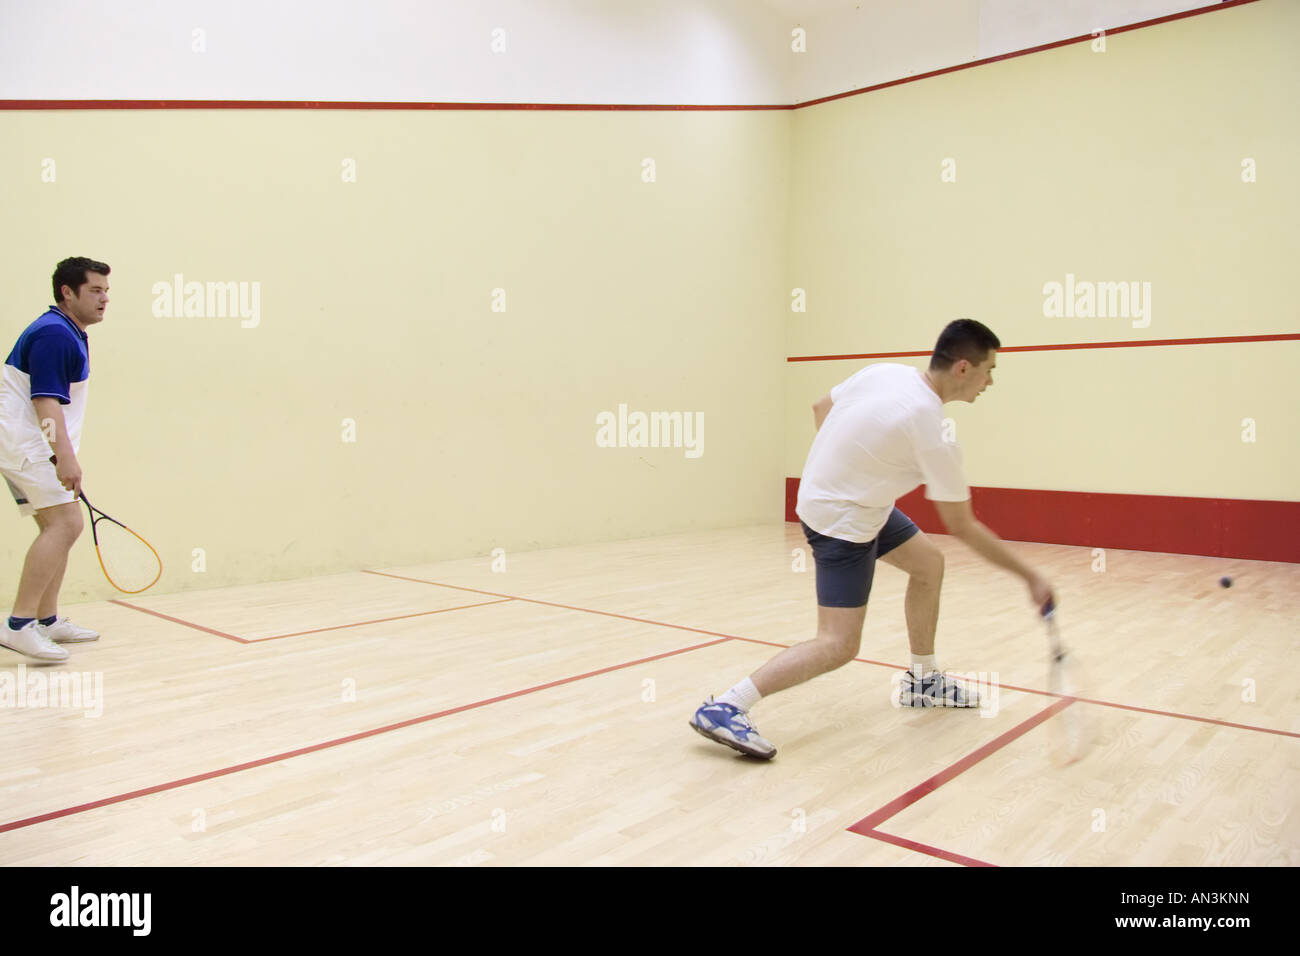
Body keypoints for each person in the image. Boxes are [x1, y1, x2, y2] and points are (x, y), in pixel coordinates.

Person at [690, 318, 1054, 758]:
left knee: (928, 564)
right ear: (962, 368)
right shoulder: (934, 432)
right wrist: (1030, 576)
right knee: (838, 644)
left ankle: (923, 680)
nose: (991, 380)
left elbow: (820, 407)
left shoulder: (889, 372)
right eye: (989, 369)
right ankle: (728, 706)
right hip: (842, 520)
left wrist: (844, 469)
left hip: (847, 500)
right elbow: (963, 525)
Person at [0, 257, 110, 663]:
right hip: (27, 446)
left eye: (106, 291)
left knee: (57, 525)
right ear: (67, 292)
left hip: (24, 445)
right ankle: (18, 625)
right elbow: (45, 401)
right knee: (67, 523)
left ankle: (46, 621)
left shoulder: (66, 331)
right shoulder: (54, 334)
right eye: (95, 290)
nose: (104, 299)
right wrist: (64, 458)